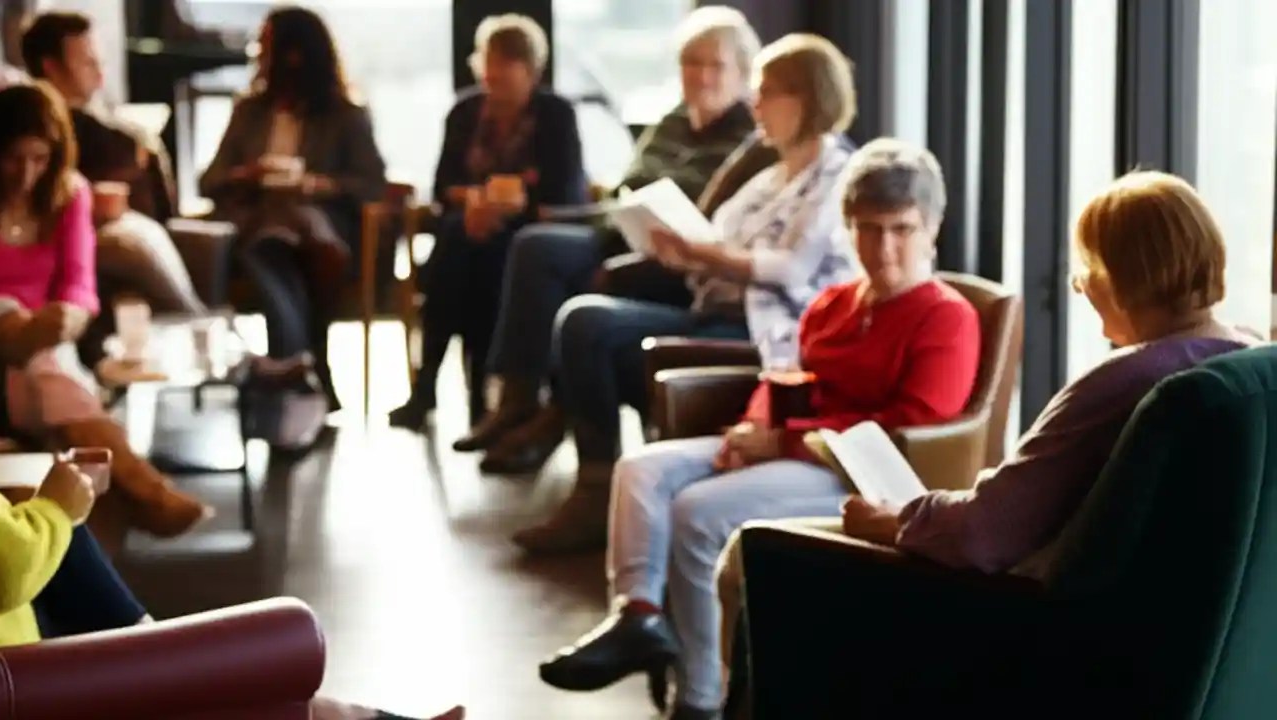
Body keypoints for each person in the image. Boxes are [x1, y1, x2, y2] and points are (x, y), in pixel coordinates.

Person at [713, 170, 1262, 710]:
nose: (1081, 286)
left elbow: (983, 535)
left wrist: (894, 520)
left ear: (1117, 277)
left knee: (749, 554)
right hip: (1160, 646)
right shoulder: (1250, 368)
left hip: (1015, 629)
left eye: (1086, 271)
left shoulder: (1123, 384)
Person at [536, 138, 980, 720]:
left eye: (901, 229)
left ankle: (699, 697)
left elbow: (908, 425)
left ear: (932, 228)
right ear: (848, 229)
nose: (885, 248)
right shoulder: (833, 303)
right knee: (640, 467)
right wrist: (749, 427)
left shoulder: (945, 315)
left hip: (866, 477)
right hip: (795, 449)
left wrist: (784, 441)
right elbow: (787, 375)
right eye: (868, 230)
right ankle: (637, 615)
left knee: (696, 513)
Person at [512, 33, 862, 555]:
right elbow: (718, 239)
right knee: (582, 321)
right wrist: (683, 256)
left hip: (770, 328)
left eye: (767, 93)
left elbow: (790, 271)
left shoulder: (837, 175)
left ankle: (600, 492)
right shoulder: (769, 175)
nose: (755, 104)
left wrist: (703, 255)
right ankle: (594, 483)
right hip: (716, 306)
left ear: (806, 99)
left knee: (592, 327)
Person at [426, 7, 772, 478]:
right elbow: (629, 183)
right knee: (535, 245)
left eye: (715, 65)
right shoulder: (671, 120)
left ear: (742, 73)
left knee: (558, 269)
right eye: (691, 63)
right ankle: (518, 396)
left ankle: (554, 422)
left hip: (677, 261)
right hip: (621, 233)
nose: (701, 76)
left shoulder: (749, 139)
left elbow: (713, 213)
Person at [0, 459, 464, 720]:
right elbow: (7, 566)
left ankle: (153, 647)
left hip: (22, 673)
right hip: (23, 689)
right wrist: (55, 508)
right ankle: (157, 652)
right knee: (259, 673)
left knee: (234, 691)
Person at [0, 82, 207, 537]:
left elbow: (79, 284)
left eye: (39, 158)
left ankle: (117, 500)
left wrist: (69, 316)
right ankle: (145, 489)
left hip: (48, 340)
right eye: (13, 158)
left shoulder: (70, 194)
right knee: (21, 332)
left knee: (43, 364)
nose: (26, 173)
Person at [388, 13, 587, 428]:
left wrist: (500, 202)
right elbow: (444, 185)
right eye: (489, 71)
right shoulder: (465, 112)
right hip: (468, 224)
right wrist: (478, 200)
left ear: (531, 72)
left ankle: (454, 392)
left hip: (528, 227)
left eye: (505, 74)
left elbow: (562, 190)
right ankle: (461, 395)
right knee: (458, 244)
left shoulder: (555, 114)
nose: (494, 82)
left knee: (484, 253)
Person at [200, 6, 387, 411]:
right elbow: (209, 180)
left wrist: (315, 184)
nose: (257, 54)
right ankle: (309, 366)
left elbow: (372, 183)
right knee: (272, 240)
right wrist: (246, 175)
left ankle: (292, 371)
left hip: (321, 229)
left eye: (265, 45)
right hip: (260, 224)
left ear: (295, 54)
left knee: (283, 239)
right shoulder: (248, 112)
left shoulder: (345, 115)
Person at [22, 12, 206, 320]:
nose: (98, 72)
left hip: (123, 229)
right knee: (133, 240)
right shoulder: (39, 129)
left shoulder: (107, 128)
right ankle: (199, 324)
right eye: (87, 63)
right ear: (51, 67)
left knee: (141, 235)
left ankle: (199, 327)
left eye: (98, 61)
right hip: (78, 233)